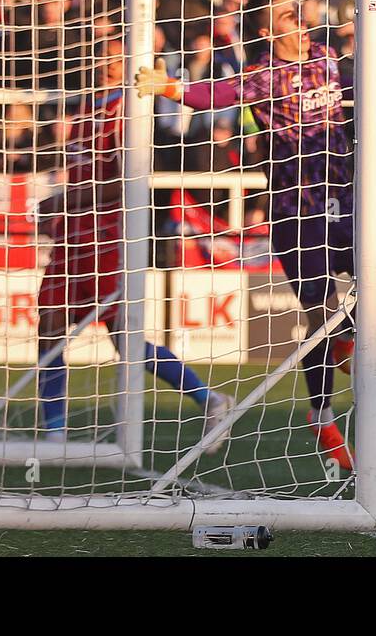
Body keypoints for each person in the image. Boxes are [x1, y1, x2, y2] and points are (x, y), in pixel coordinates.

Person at [137, 0, 376, 471]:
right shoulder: (261, 74)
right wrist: (169, 88)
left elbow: (359, 82)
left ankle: (347, 342)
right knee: (320, 314)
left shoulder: (327, 56)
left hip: (348, 199)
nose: (301, 19)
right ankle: (322, 414)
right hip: (296, 209)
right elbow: (215, 94)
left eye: (298, 10)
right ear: (268, 31)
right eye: (289, 15)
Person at [36, 51, 233, 449]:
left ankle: (209, 398)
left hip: (109, 239)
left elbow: (131, 181)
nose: (104, 58)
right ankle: (54, 432)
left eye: (114, 51)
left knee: (124, 340)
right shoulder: (85, 112)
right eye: (101, 49)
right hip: (73, 236)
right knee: (49, 330)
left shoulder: (127, 113)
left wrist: (74, 197)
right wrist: (61, 201)